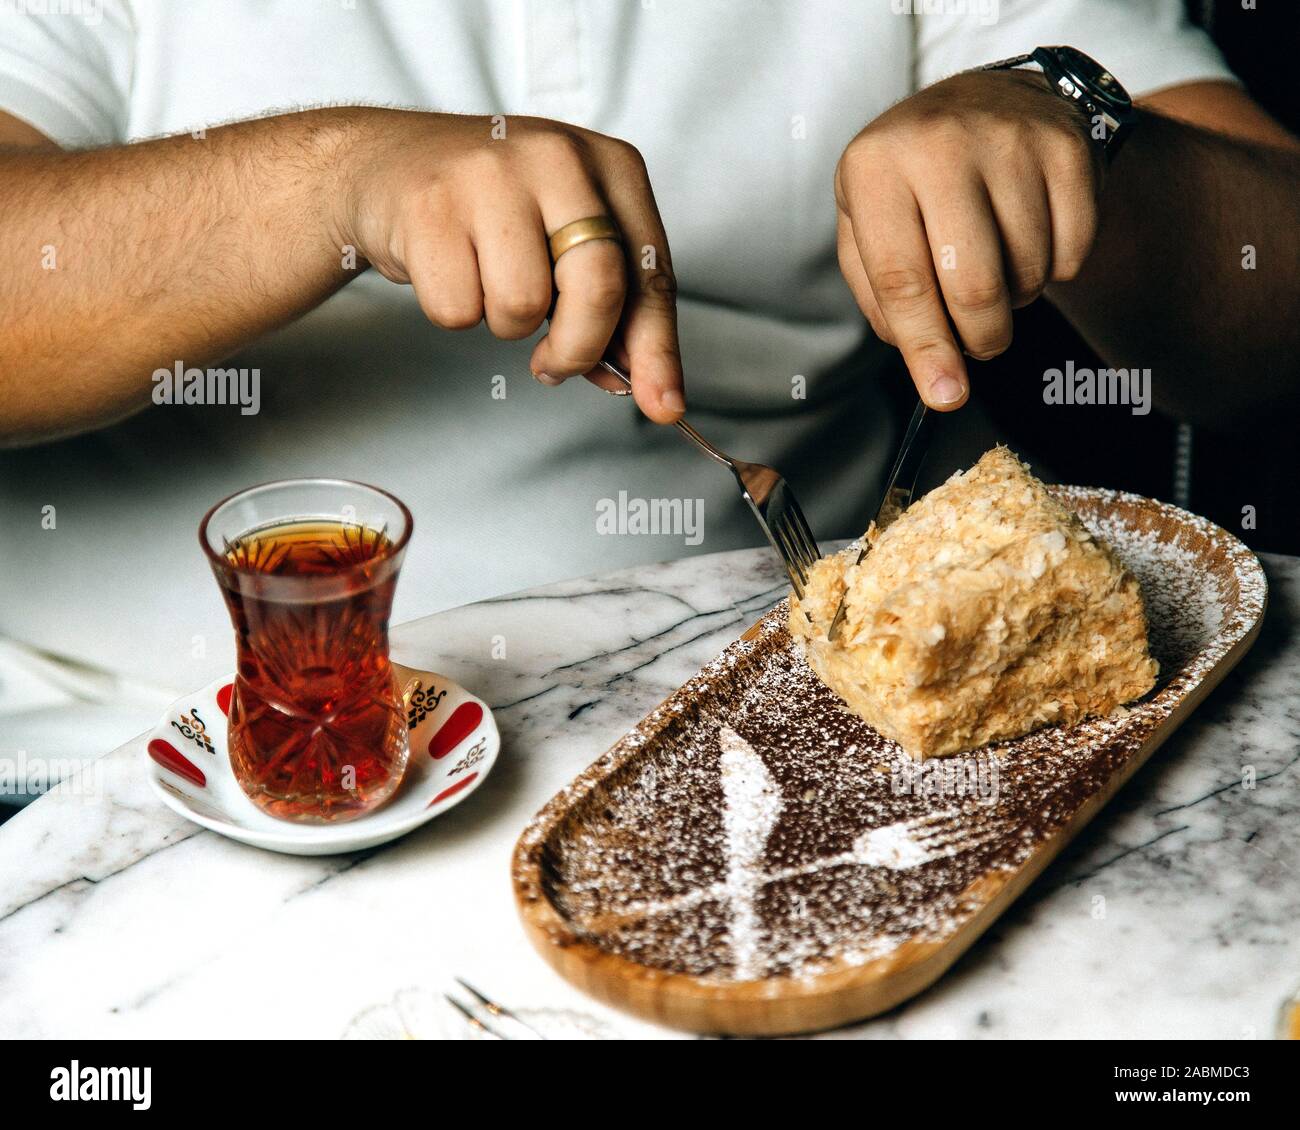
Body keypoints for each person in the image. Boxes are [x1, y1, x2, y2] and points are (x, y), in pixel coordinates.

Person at [0, 0, 1296, 779]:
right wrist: (332, 182)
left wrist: (1083, 138)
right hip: (158, 766)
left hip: (824, 732)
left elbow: (1278, 325)